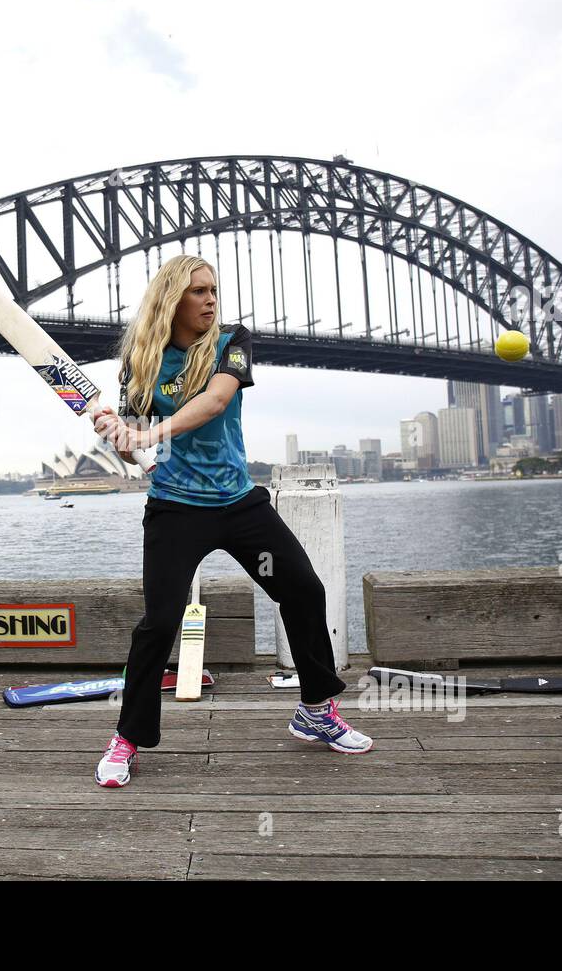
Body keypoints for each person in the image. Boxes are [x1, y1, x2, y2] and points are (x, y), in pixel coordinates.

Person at [91, 255, 372, 788]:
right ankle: (127, 739)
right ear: (173, 299)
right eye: (199, 291)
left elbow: (216, 402)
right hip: (175, 509)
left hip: (237, 503)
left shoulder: (232, 341)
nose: (211, 299)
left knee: (303, 590)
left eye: (213, 289)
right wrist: (119, 435)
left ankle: (315, 711)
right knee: (160, 620)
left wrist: (148, 433)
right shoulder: (139, 364)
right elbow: (136, 457)